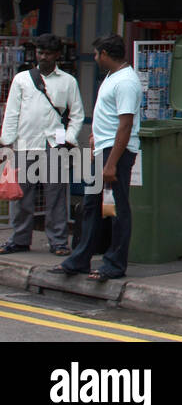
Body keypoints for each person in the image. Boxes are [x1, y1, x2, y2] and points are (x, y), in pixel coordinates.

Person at [54, 34, 142, 281]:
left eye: (95, 54)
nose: (94, 58)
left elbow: (125, 126)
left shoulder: (126, 82)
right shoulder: (112, 77)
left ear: (104, 54)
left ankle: (114, 264)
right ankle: (80, 259)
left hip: (117, 153)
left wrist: (111, 163)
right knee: (92, 205)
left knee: (117, 208)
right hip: (104, 148)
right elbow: (109, 116)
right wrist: (96, 140)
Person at [0, 35, 85, 257]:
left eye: (48, 53)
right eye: (40, 53)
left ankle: (58, 241)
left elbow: (77, 114)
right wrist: (6, 143)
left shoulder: (68, 81)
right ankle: (19, 239)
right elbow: (12, 112)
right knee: (21, 195)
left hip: (54, 144)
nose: (43, 57)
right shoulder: (22, 79)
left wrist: (69, 137)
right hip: (25, 142)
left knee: (56, 195)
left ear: (57, 55)